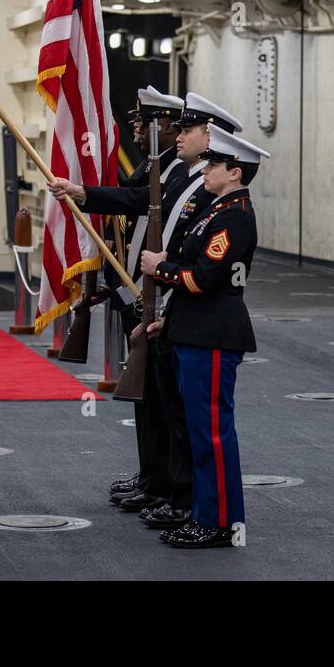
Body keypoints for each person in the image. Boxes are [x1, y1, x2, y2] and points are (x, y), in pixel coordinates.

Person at [49, 87, 182, 512]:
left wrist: (84, 193)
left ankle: (163, 484)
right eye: (136, 122)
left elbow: (137, 201)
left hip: (156, 298)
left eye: (146, 122)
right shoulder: (150, 165)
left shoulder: (174, 171)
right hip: (132, 294)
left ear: (169, 127)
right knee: (142, 394)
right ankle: (150, 475)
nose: (137, 129)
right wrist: (109, 280)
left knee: (159, 401)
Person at [141, 123, 269, 549]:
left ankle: (217, 521)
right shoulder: (215, 211)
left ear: (235, 172)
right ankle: (206, 513)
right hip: (194, 330)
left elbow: (205, 279)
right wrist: (170, 320)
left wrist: (159, 269)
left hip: (213, 334)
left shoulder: (233, 216)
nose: (208, 168)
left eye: (215, 163)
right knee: (199, 430)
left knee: (211, 430)